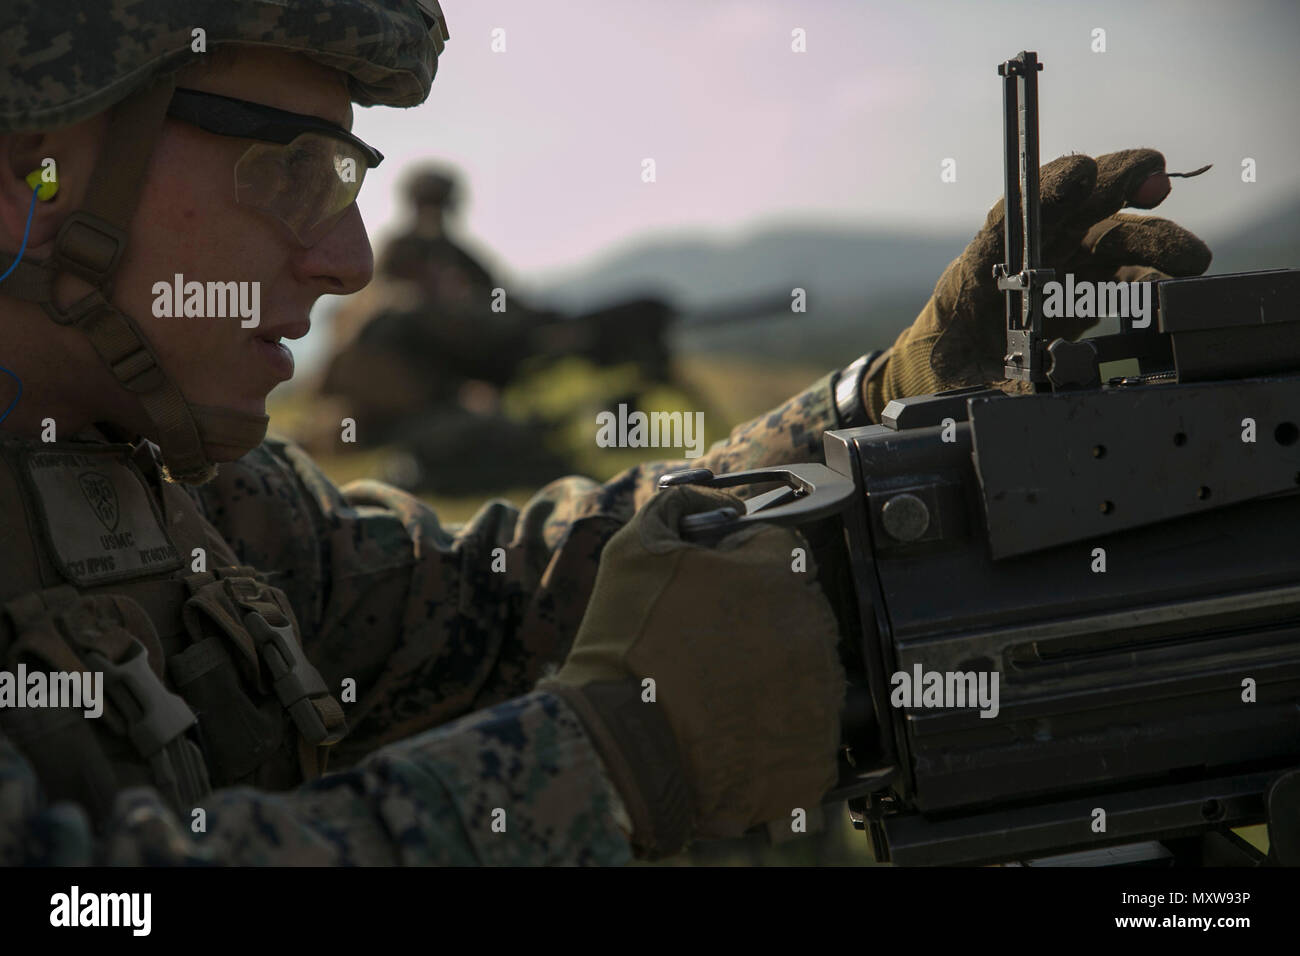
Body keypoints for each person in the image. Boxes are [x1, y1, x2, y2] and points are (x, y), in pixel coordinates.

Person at [0, 1, 1210, 865]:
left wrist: (877, 405)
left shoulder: (168, 487)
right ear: (32, 175)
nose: (344, 258)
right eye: (287, 172)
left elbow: (495, 591)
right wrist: (617, 755)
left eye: (351, 180)